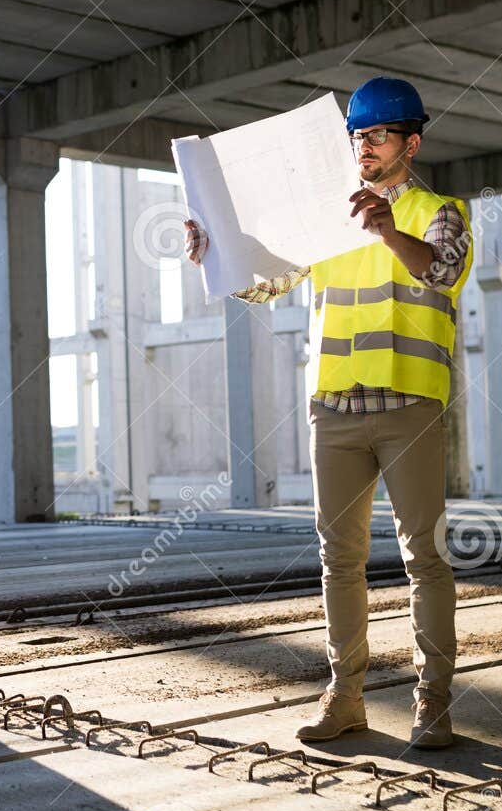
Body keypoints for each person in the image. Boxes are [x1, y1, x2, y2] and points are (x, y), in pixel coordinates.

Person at [183, 77, 472, 749]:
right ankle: (345, 697)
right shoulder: (327, 214)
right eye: (357, 137)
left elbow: (442, 268)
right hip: (335, 410)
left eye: (376, 136)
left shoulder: (440, 208)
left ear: (411, 141)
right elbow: (268, 281)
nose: (363, 148)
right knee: (338, 560)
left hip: (409, 408)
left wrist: (389, 228)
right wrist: (215, 254)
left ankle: (433, 705)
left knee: (423, 559)